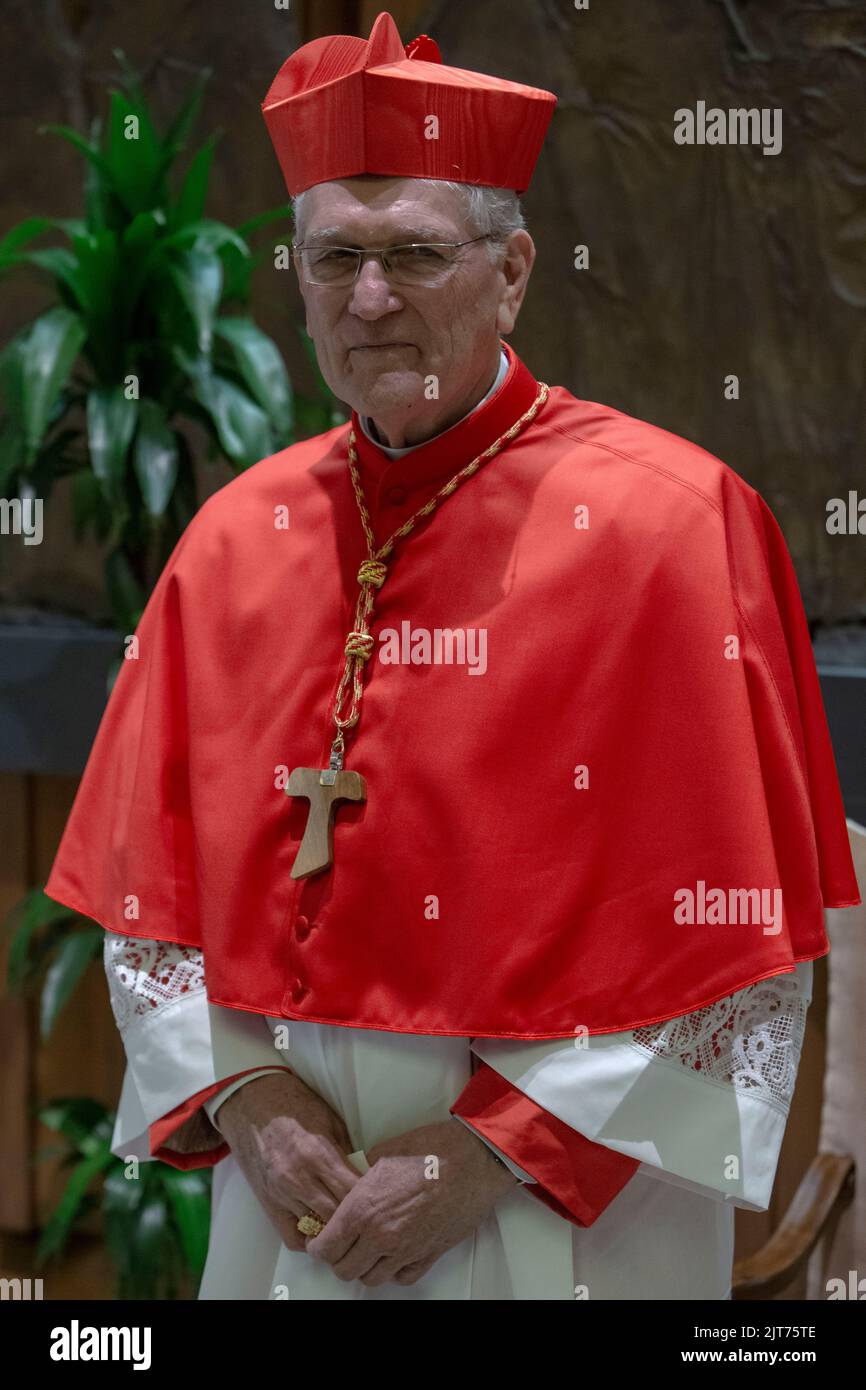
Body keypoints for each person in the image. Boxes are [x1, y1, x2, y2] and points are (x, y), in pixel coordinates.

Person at [46, 12, 859, 1300]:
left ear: (515, 268)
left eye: (415, 255)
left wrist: (502, 1148)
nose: (370, 302)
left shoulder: (676, 524)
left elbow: (734, 949)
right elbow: (152, 920)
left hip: (582, 1211)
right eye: (336, 261)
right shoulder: (232, 538)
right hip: (294, 1198)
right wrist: (249, 1096)